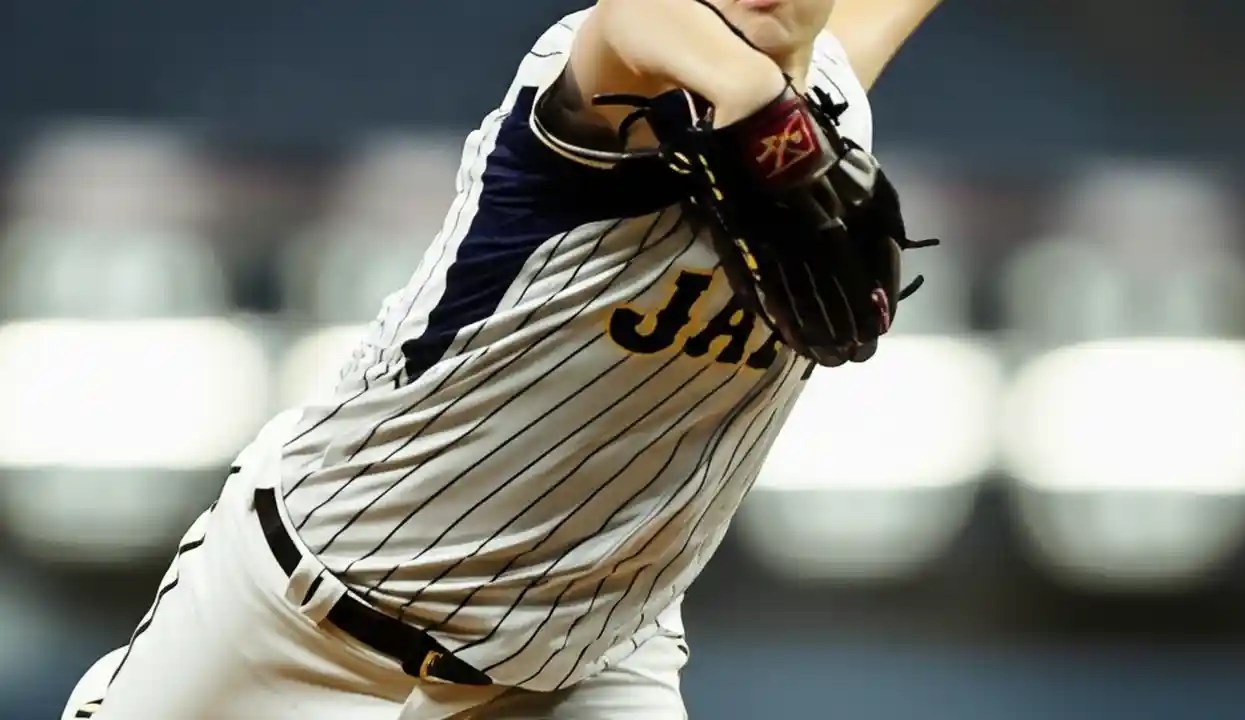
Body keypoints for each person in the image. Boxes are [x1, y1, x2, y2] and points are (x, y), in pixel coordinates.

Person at [66, 1, 943, 718]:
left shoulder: (832, 93)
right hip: (308, 627)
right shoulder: (603, 76)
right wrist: (764, 112)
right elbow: (631, 23)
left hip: (581, 662)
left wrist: (785, 120)